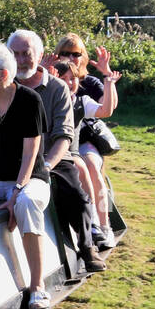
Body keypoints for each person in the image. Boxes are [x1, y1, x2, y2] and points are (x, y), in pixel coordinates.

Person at [7, 29, 105, 274]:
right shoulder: (4, 87)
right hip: (13, 160)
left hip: (52, 157)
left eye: (26, 54)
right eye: (14, 54)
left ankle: (86, 247)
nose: (20, 60)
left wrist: (47, 166)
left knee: (76, 195)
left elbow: (63, 135)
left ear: (39, 55)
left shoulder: (57, 88)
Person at [0, 43, 52, 309]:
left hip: (30, 179)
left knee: (27, 203)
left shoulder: (30, 100)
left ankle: (38, 286)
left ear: (4, 74)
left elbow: (31, 153)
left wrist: (17, 191)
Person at [52, 59, 120, 249]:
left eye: (72, 78)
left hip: (70, 154)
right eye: (63, 79)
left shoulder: (81, 102)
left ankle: (94, 221)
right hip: (49, 153)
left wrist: (108, 82)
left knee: (82, 165)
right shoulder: (46, 98)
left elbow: (105, 110)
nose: (69, 83)